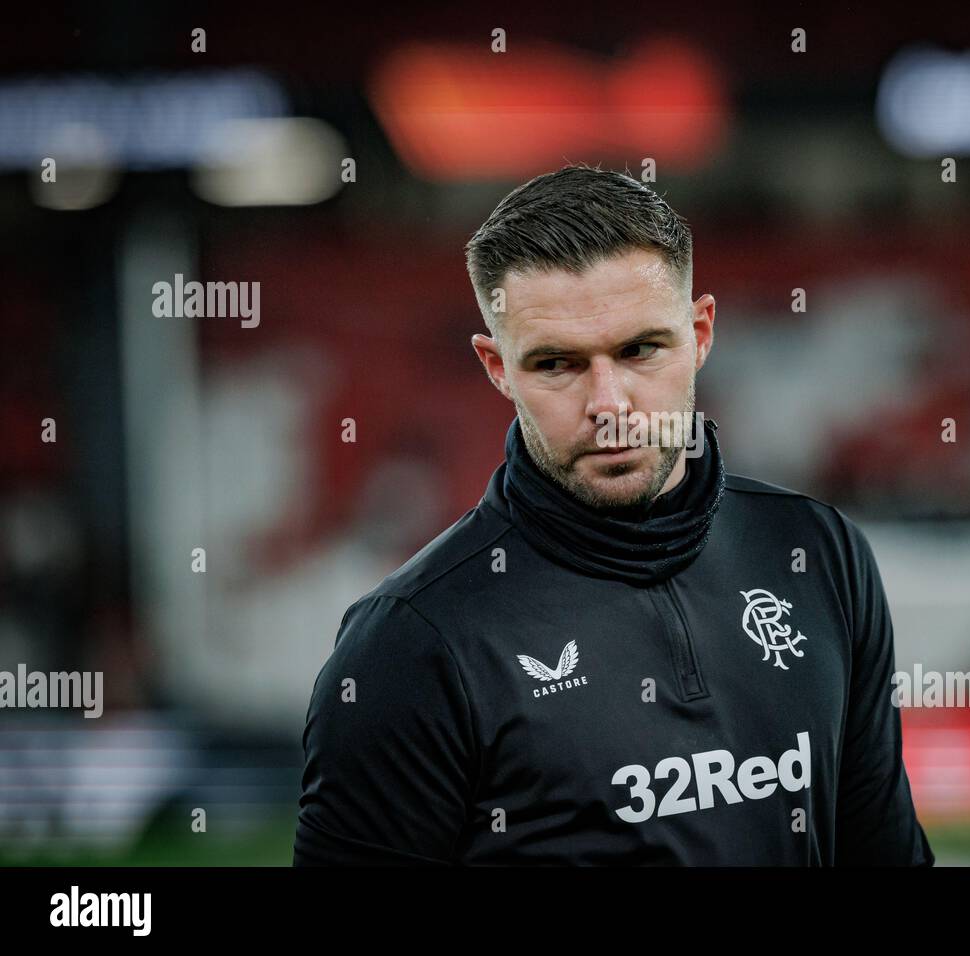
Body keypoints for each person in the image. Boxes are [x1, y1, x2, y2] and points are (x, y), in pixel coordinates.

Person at [293, 163, 934, 866]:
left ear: (700, 332)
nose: (608, 404)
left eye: (638, 350)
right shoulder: (412, 645)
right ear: (497, 367)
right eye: (557, 364)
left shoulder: (816, 551)